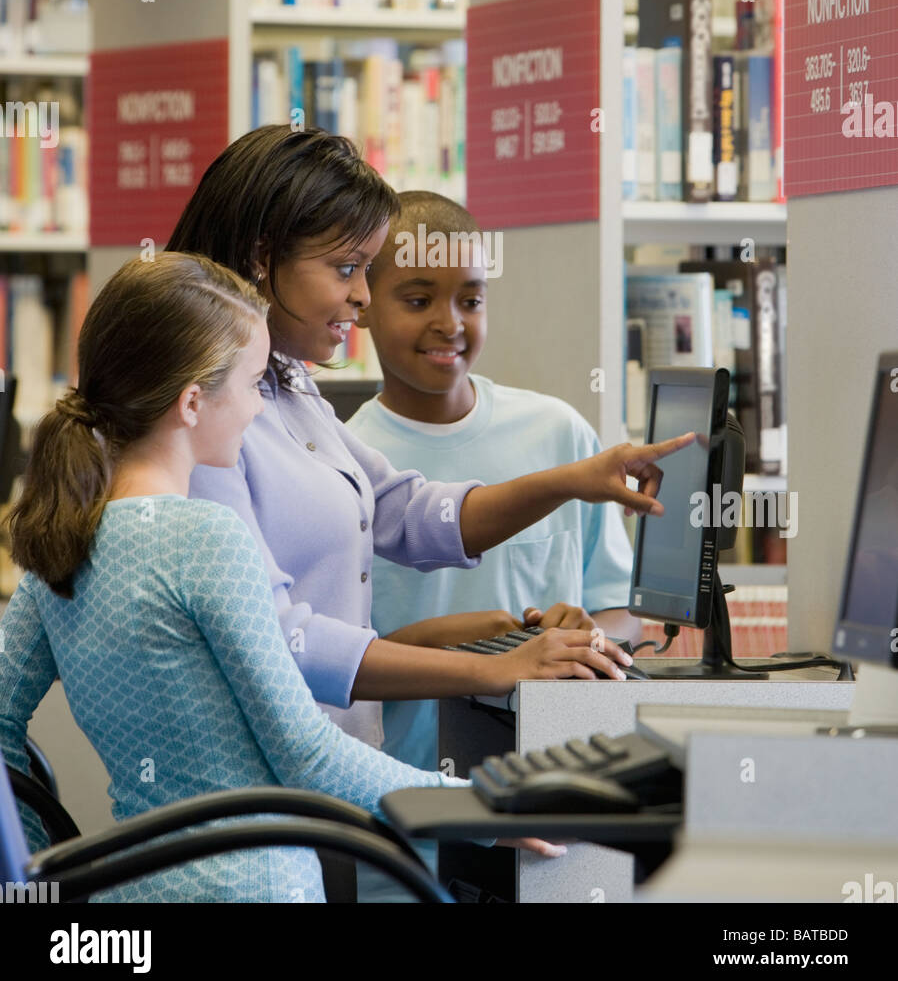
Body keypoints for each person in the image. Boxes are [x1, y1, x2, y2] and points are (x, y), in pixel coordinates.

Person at [169, 127, 694, 753]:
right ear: (262, 258)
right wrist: (494, 668)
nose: (360, 298)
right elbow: (281, 638)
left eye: (365, 270)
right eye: (346, 270)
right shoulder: (203, 418)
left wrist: (572, 480)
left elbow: (405, 511)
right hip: (278, 791)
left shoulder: (290, 388)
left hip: (332, 776)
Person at [0, 252, 490, 903]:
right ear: (194, 401)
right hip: (254, 888)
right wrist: (485, 809)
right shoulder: (205, 537)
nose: (262, 411)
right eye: (255, 384)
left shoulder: (58, 548)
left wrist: (37, 876)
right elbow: (306, 756)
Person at [346, 190, 646, 899]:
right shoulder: (344, 460)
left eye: (471, 300)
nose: (449, 323)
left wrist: (582, 637)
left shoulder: (561, 436)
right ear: (362, 303)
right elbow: (332, 670)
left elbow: (623, 611)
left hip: (550, 817)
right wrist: (474, 651)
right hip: (406, 832)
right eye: (417, 299)